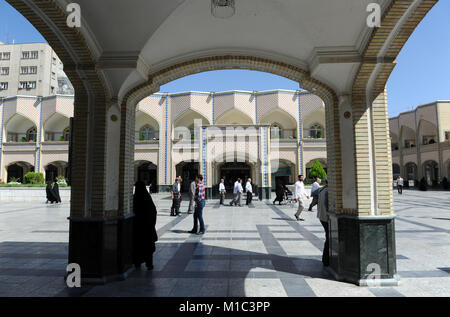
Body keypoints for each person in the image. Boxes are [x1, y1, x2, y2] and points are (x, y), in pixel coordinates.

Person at [132, 181, 158, 270]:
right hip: (147, 229)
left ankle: (137, 262)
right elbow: (153, 212)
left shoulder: (135, 198)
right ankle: (149, 264)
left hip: (138, 228)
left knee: (138, 246)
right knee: (148, 247)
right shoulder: (147, 198)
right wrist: (151, 224)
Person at [317, 180, 329, 267]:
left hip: (321, 216)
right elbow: (327, 204)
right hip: (326, 217)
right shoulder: (328, 190)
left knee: (328, 237)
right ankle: (326, 259)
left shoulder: (321, 189)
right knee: (329, 238)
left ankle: (325, 259)